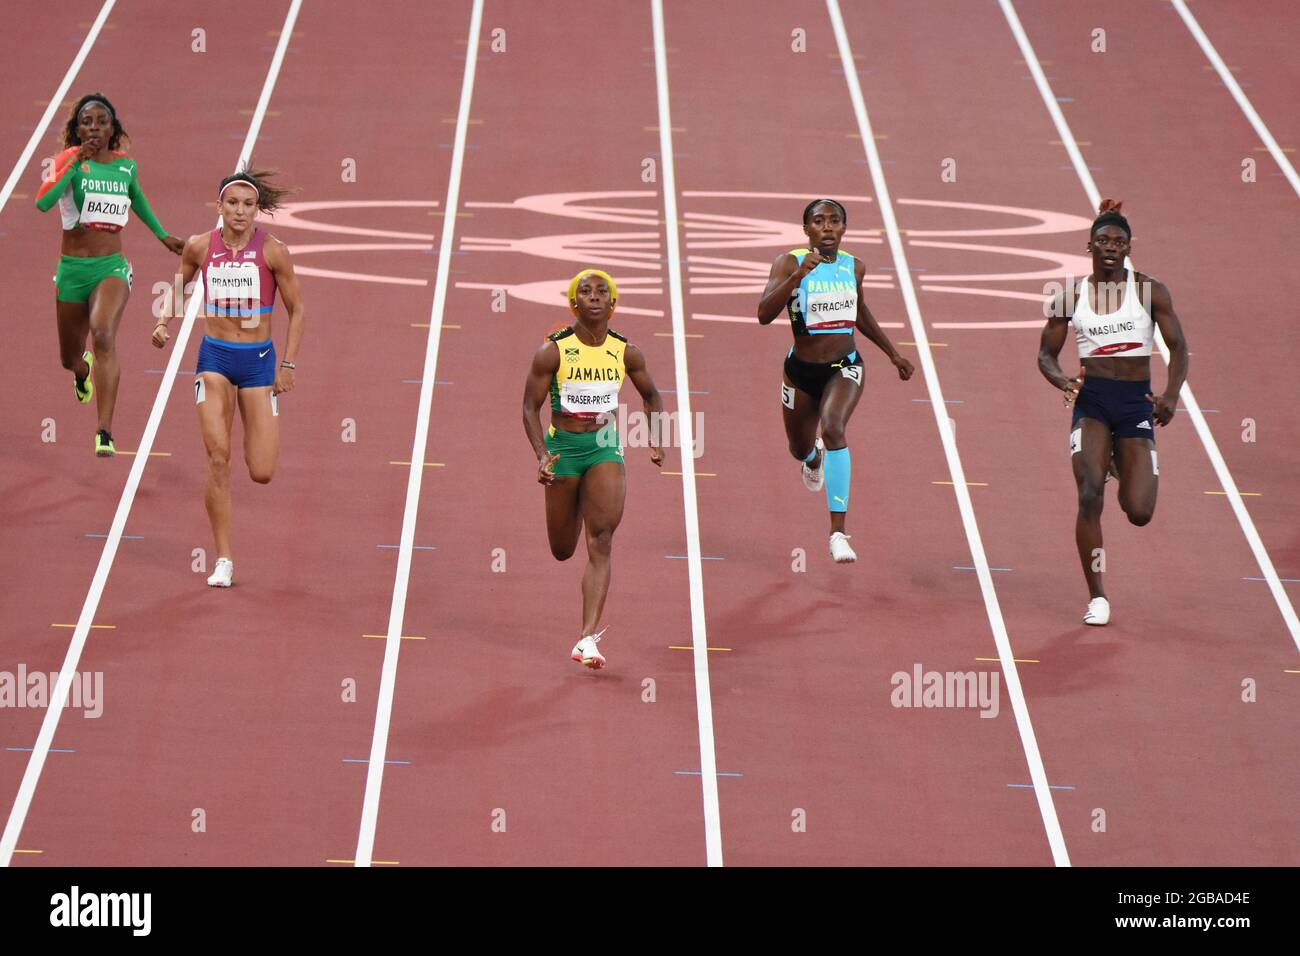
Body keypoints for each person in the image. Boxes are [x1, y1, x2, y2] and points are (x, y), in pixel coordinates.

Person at [1038, 200, 1188, 625]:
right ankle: (1098, 595)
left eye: (1118, 242)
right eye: (1102, 240)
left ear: (1128, 248)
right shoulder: (1070, 297)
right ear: (1089, 246)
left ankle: (1120, 462)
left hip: (1135, 404)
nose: (1110, 247)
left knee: (1139, 512)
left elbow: (1178, 347)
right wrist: (1063, 380)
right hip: (1093, 404)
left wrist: (1171, 396)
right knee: (1088, 494)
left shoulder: (1150, 291)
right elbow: (1045, 355)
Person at [153, 168, 305, 588]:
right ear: (218, 206)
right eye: (232, 203)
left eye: (248, 204)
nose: (240, 211)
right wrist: (164, 322)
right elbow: (179, 287)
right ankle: (223, 559)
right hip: (214, 359)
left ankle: (256, 423)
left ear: (258, 210)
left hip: (257, 363)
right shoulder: (201, 247)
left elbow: (298, 311)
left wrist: (287, 365)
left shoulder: (273, 252)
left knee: (261, 471)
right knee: (217, 457)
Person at [757, 198, 915, 563]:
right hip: (799, 372)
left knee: (833, 427)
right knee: (798, 447)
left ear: (844, 228)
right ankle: (813, 460)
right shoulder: (789, 263)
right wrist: (798, 278)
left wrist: (892, 353)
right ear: (806, 229)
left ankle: (838, 533)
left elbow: (859, 310)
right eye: (818, 221)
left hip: (845, 367)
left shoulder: (853, 267)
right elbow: (764, 314)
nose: (827, 227)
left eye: (834, 221)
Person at [522, 269, 663, 669]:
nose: (595, 296)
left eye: (603, 291)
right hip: (563, 447)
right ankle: (577, 498)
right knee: (563, 549)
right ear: (574, 303)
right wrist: (541, 455)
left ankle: (587, 638)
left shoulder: (626, 351)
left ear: (613, 304)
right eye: (585, 291)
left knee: (601, 538)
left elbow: (652, 395)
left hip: (604, 445)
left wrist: (655, 437)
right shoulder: (553, 351)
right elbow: (529, 407)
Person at [35, 93, 184, 456]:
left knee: (103, 334)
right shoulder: (66, 161)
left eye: (102, 121)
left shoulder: (125, 167)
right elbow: (43, 202)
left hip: (111, 268)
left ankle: (104, 431)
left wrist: (163, 236)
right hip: (72, 270)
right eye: (86, 122)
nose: (94, 128)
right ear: (76, 128)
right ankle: (81, 372)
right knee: (69, 357)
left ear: (112, 128)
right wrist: (75, 163)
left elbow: (137, 200)